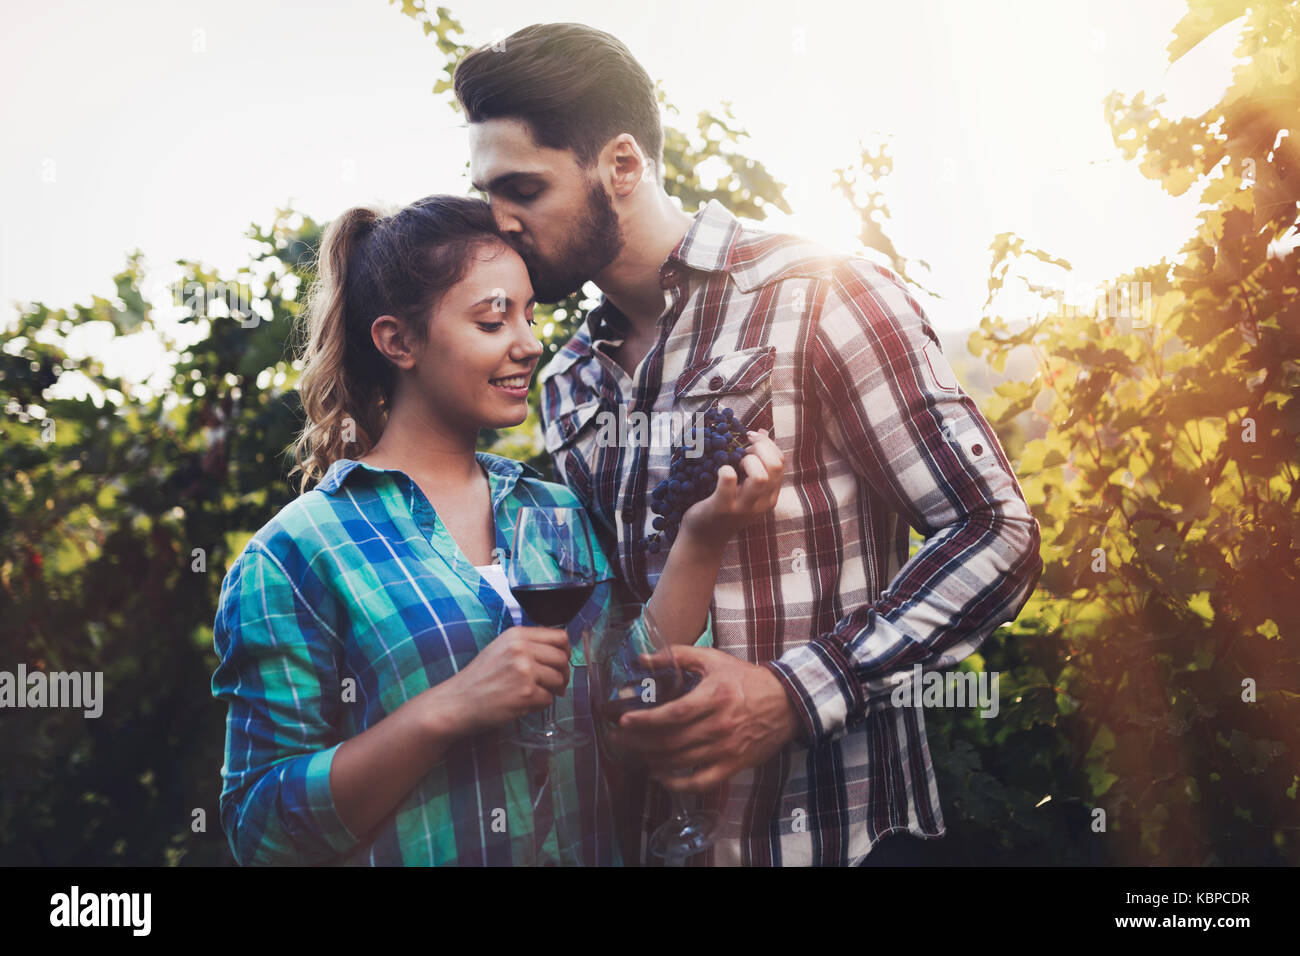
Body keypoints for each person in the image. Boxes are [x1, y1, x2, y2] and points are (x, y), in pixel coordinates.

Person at [454, 23, 1045, 866]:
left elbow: (997, 533)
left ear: (622, 166)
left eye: (523, 189)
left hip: (841, 837)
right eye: (487, 194)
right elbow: (617, 623)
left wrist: (790, 693)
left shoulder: (820, 292)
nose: (501, 222)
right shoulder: (568, 381)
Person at [209, 194, 784, 866]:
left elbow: (628, 703)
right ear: (398, 341)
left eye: (530, 315)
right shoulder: (295, 556)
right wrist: (448, 708)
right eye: (492, 320)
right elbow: (261, 829)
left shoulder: (553, 512)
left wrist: (703, 537)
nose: (530, 343)